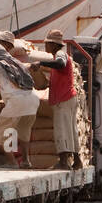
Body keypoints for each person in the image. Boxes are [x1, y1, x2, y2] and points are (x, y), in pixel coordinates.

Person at [0, 40, 39, 169]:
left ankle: (12, 162)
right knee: (23, 131)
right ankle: (26, 161)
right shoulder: (18, 63)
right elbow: (29, 69)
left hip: (17, 101)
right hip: (33, 100)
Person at [34, 28, 80, 169]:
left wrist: (41, 63)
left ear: (54, 44)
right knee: (71, 129)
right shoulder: (59, 57)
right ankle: (77, 161)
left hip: (63, 99)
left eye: (47, 44)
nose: (46, 46)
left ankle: (64, 162)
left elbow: (60, 64)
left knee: (62, 129)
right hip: (68, 97)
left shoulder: (60, 54)